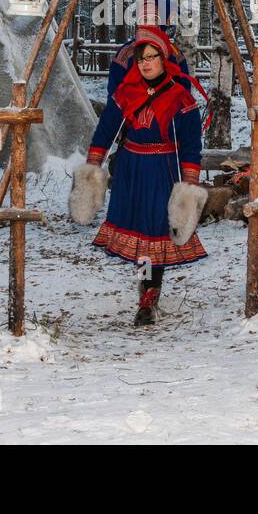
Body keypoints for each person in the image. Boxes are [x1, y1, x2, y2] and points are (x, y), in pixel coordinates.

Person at [68, 24, 208, 326]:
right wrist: (93, 170)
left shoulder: (181, 99)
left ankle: (148, 296)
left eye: (151, 56)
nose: (145, 63)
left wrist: (188, 189)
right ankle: (146, 289)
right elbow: (105, 132)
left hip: (162, 174)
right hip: (131, 172)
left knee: (155, 237)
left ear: (164, 59)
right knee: (142, 242)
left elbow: (192, 147)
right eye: (140, 58)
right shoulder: (126, 93)